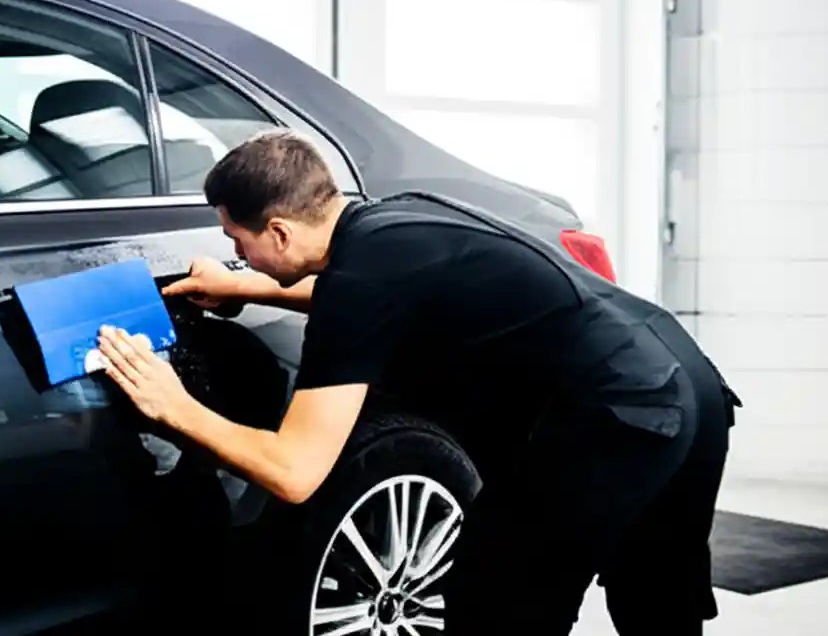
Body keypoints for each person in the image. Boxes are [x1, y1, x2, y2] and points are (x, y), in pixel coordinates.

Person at [93, 128, 737, 635]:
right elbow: (376, 292)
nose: (237, 252)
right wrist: (249, 284)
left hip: (623, 413)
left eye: (238, 241)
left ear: (281, 230)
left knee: (497, 603)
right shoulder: (390, 220)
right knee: (658, 603)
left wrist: (173, 405)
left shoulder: (360, 281)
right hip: (685, 373)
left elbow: (295, 471)